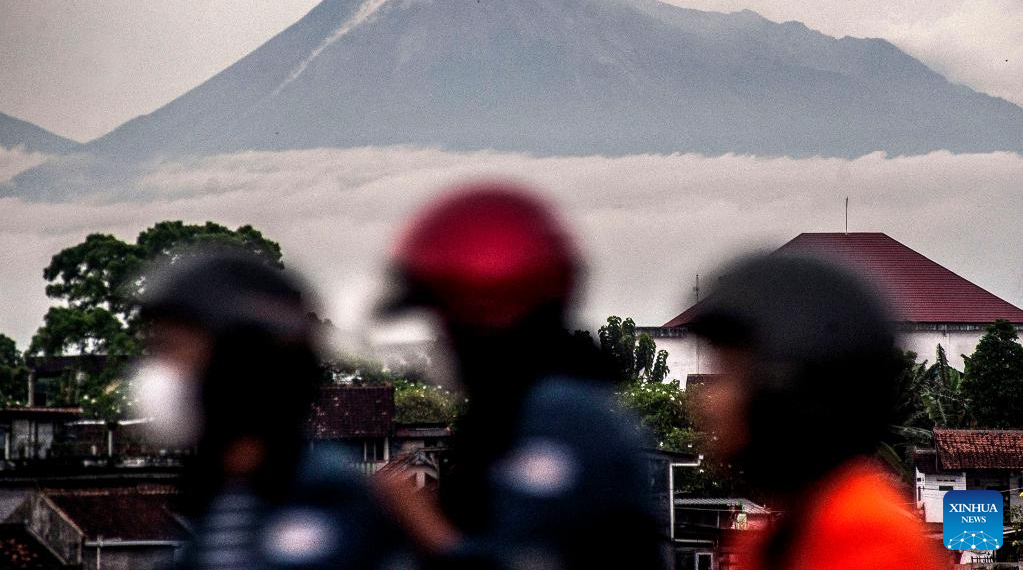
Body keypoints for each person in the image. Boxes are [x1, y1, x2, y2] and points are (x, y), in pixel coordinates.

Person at [375, 183, 665, 570]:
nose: (442, 342)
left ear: (479, 313)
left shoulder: (561, 414)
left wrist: (418, 519)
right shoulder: (511, 411)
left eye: (443, 319)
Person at [134, 251, 411, 570]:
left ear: (240, 360)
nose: (158, 371)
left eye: (170, 348)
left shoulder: (329, 497)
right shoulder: (217, 495)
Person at [689, 252, 948, 570]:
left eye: (730, 373)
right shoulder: (791, 534)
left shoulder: (861, 537)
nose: (707, 401)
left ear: (788, 391)